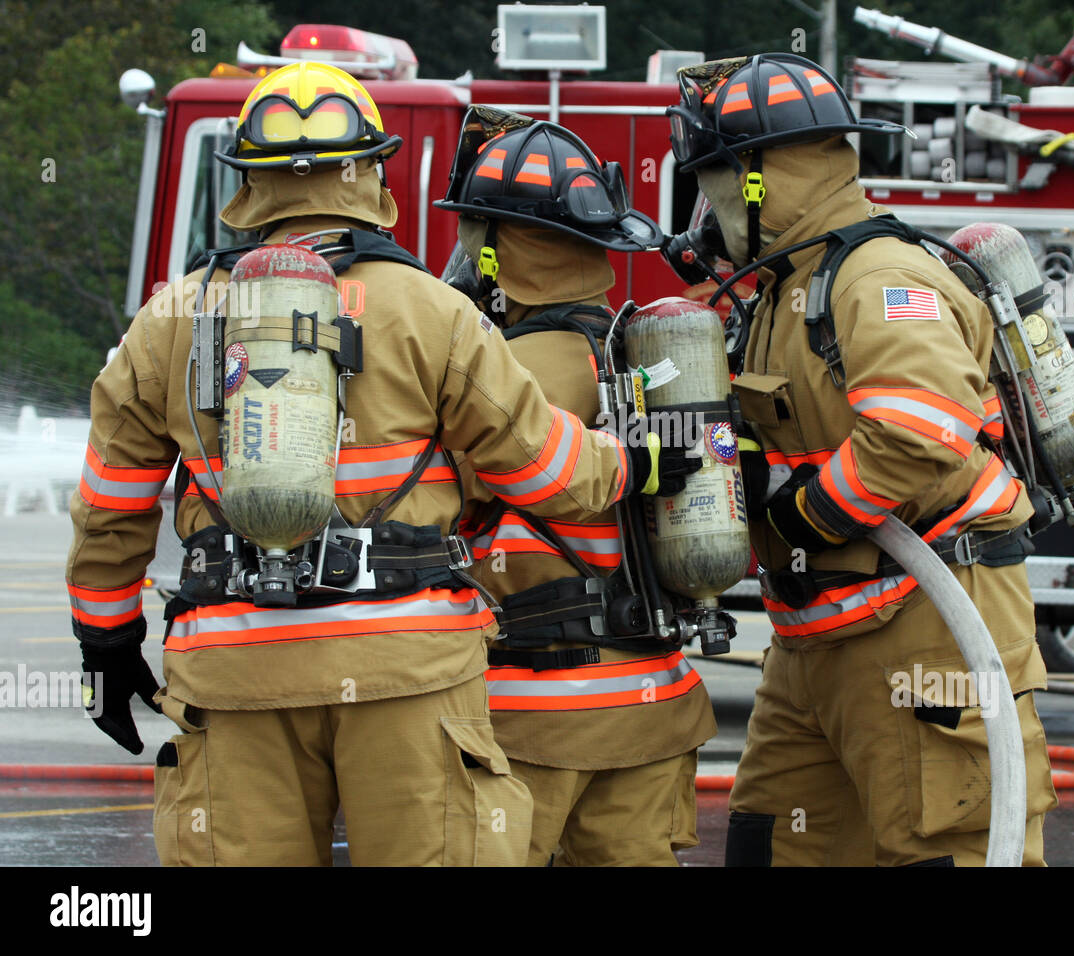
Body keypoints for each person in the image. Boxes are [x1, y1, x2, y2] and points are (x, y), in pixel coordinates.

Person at [67, 62, 685, 866]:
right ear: (370, 173)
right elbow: (545, 472)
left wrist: (106, 646)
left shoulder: (171, 317)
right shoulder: (434, 310)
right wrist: (631, 464)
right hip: (409, 671)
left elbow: (111, 505)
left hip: (234, 672)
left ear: (247, 185)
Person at [667, 53, 1058, 866]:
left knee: (942, 847)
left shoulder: (875, 275)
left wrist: (801, 512)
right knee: (774, 845)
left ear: (755, 180)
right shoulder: (784, 289)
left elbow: (923, 425)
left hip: (925, 629)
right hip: (812, 639)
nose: (704, 213)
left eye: (709, 187)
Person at [433, 109, 716, 866]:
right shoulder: (644, 354)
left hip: (533, 714)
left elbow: (430, 506)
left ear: (493, 250)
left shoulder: (502, 374)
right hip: (652, 702)